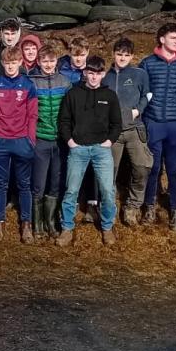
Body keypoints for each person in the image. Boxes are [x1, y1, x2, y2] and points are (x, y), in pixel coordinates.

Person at [56, 56, 122, 246]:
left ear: (103, 74)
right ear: (85, 73)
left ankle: (107, 227)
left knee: (107, 190)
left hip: (101, 149)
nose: (93, 77)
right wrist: (70, 141)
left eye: (97, 74)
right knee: (71, 190)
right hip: (78, 149)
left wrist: (109, 141)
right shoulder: (73, 94)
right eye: (90, 73)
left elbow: (116, 123)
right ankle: (67, 228)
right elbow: (64, 121)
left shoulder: (109, 96)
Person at [139, 22, 176, 231]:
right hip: (154, 124)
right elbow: (142, 94)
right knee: (153, 168)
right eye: (173, 38)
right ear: (162, 39)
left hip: (175, 126)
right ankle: (149, 207)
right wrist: (145, 121)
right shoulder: (148, 63)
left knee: (173, 170)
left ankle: (174, 212)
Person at [0, 46, 38, 243]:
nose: (10, 66)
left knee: (24, 184)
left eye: (13, 63)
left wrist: (30, 140)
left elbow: (32, 115)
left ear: (20, 63)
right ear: (2, 63)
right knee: (0, 184)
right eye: (7, 63)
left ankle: (26, 224)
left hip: (22, 141)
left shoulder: (28, 85)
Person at [101, 37, 152, 226]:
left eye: (126, 55)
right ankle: (110, 206)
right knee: (109, 172)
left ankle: (132, 206)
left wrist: (138, 110)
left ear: (132, 56)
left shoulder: (139, 74)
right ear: (113, 54)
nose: (122, 58)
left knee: (141, 168)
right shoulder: (105, 76)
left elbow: (147, 94)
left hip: (134, 129)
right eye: (119, 54)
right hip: (112, 133)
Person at [29, 45, 71, 238]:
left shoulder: (65, 81)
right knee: (38, 183)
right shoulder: (32, 82)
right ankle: (37, 224)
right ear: (38, 62)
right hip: (41, 139)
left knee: (55, 182)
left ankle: (51, 222)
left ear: (56, 61)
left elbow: (69, 111)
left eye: (51, 61)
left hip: (59, 141)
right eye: (44, 61)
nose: (48, 65)